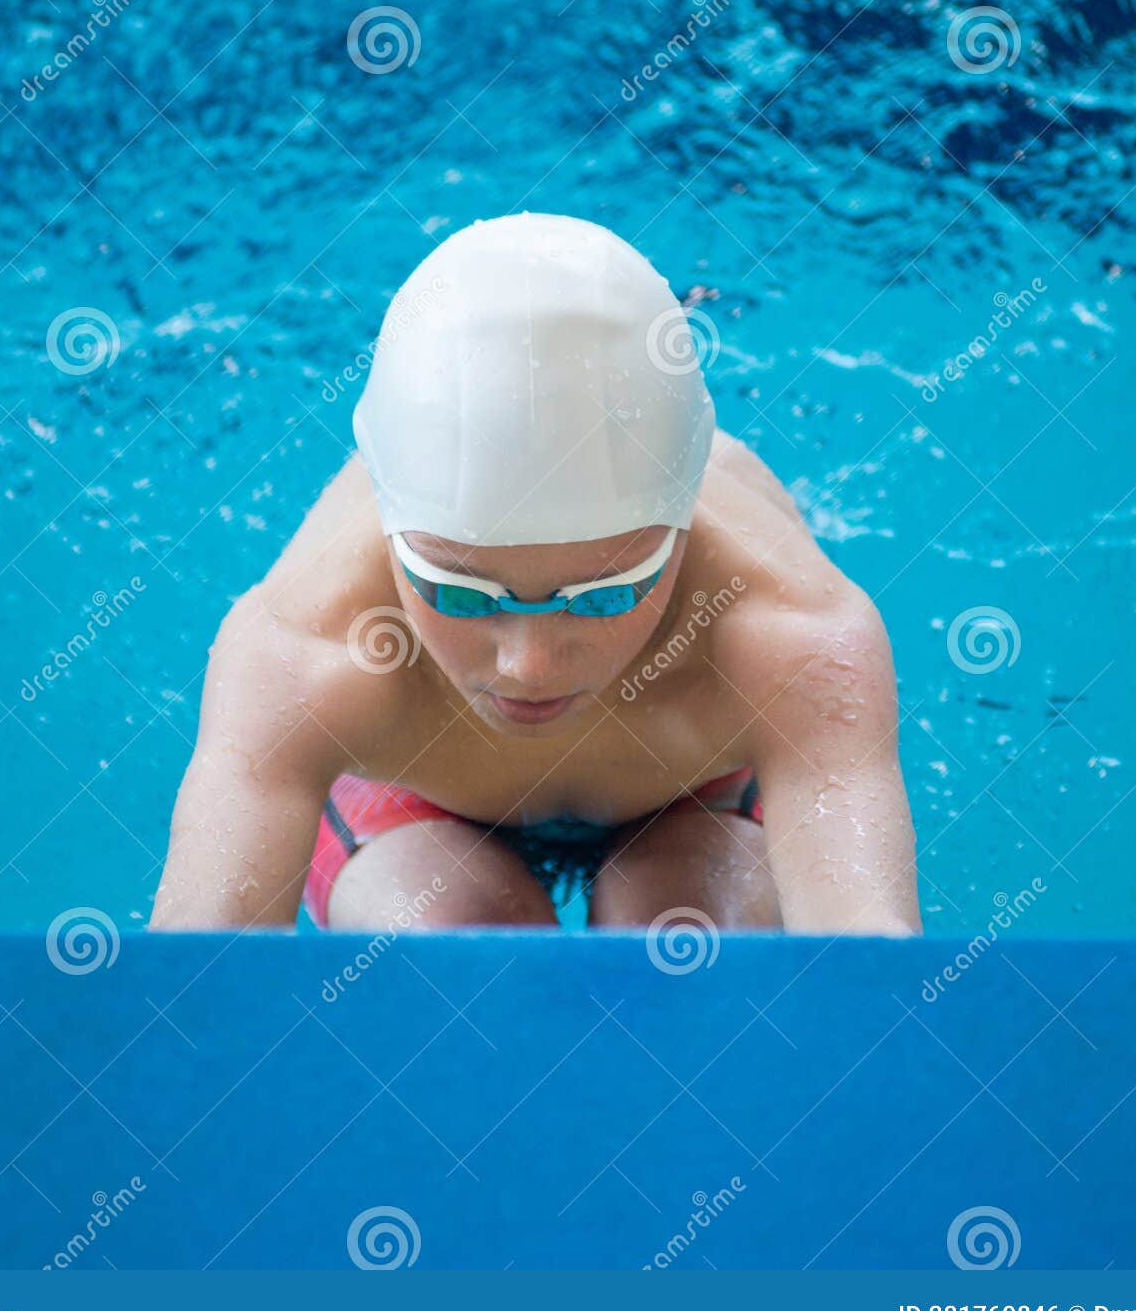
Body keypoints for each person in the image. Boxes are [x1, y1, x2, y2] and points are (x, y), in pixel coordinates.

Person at [152, 213, 919, 935]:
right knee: (472, 974)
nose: (528, 664)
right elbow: (191, 1001)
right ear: (393, 542)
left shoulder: (789, 631)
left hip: (700, 794)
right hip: (415, 801)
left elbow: (871, 987)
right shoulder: (306, 651)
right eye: (457, 591)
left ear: (682, 535)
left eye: (606, 594)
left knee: (682, 963)